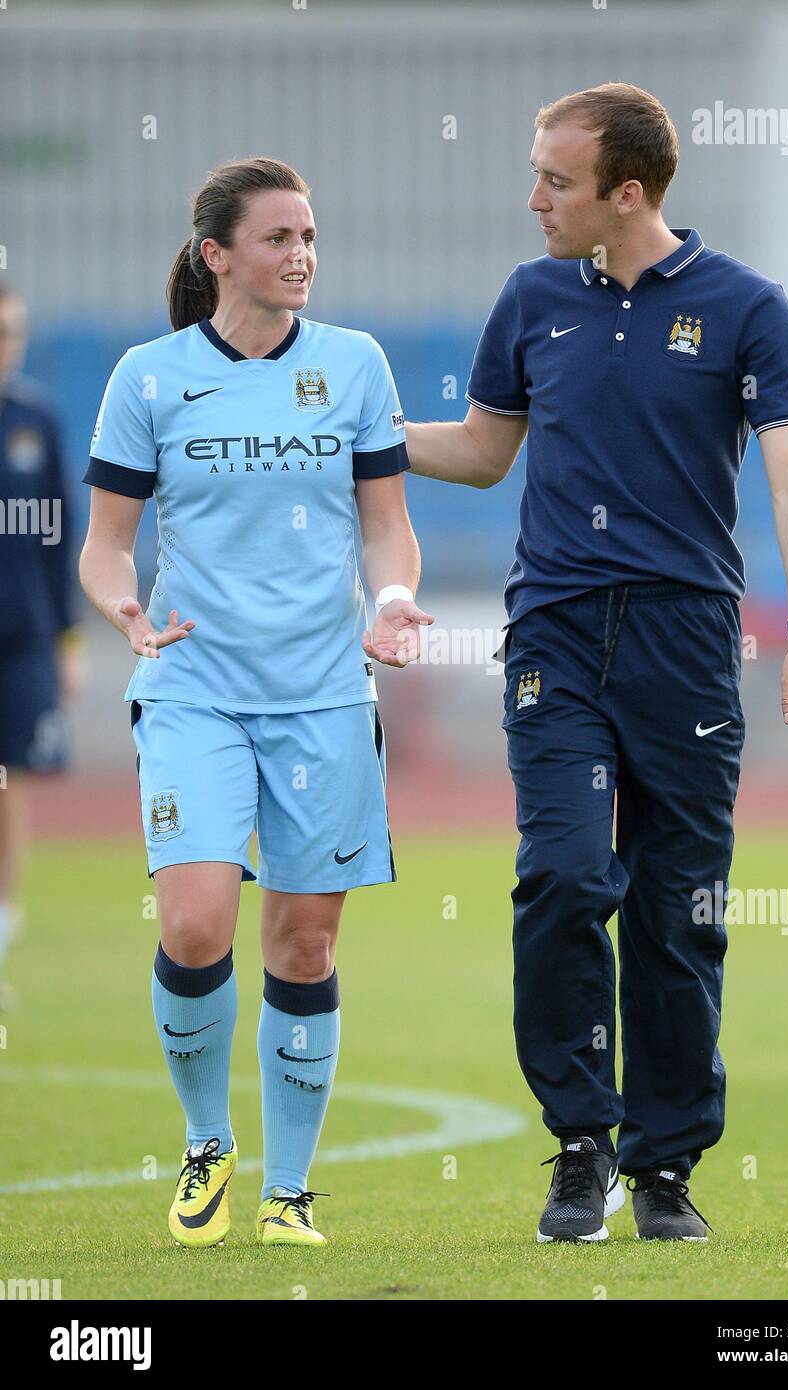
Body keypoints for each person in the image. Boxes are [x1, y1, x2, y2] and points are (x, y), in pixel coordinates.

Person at [404, 84, 788, 1244]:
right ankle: (579, 1144)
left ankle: (662, 1167)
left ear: (626, 192)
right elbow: (484, 451)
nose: (533, 197)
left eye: (555, 178)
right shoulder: (531, 296)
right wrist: (355, 431)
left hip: (687, 640)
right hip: (553, 629)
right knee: (558, 877)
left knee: (675, 908)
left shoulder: (748, 306)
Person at [79, 157, 432, 1248]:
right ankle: (203, 1142)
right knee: (192, 925)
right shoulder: (146, 377)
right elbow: (103, 546)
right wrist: (127, 614)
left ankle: (288, 1190)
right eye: (278, 238)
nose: (301, 256)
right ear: (216, 254)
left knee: (303, 949)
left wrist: (394, 599)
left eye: (310, 237)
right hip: (190, 687)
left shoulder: (355, 365)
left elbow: (384, 523)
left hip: (323, 695)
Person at [0, 284, 83, 1010]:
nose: (7, 345)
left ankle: (1, 941)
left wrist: (69, 638)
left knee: (11, 784)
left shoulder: (38, 421)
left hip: (22, 637)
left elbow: (63, 538)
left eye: (13, 332)